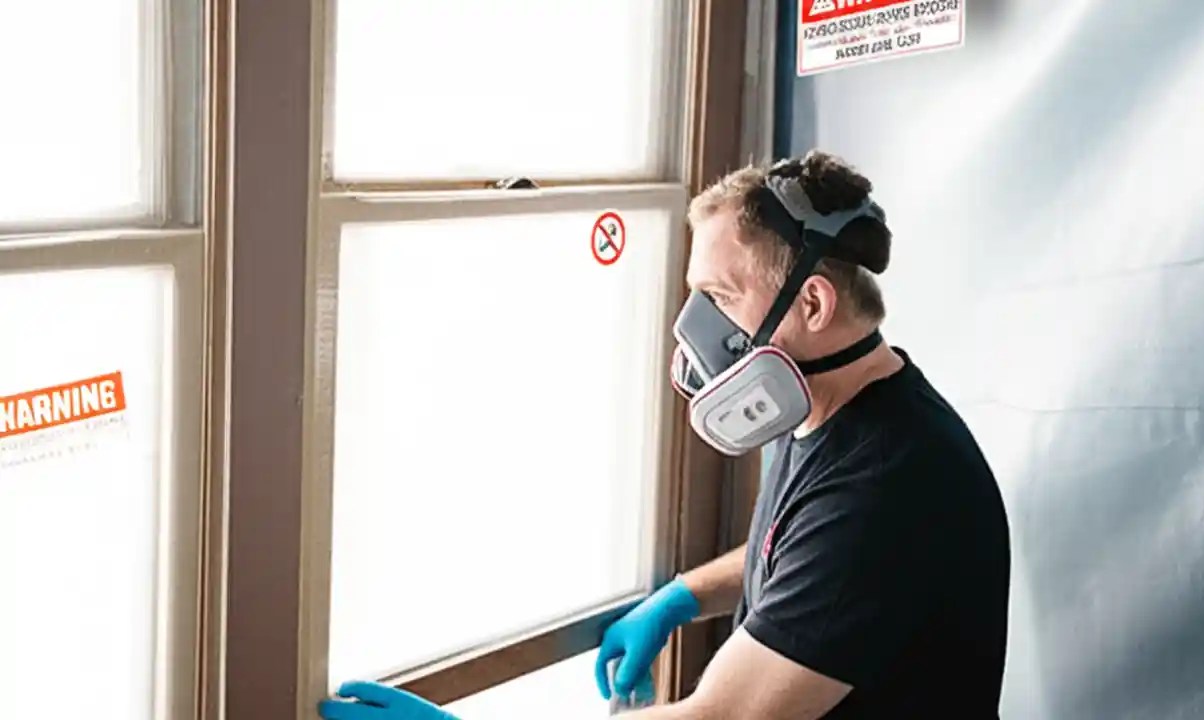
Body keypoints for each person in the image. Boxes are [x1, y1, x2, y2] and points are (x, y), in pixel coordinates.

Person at [318, 151, 1012, 720]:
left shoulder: (887, 484)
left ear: (812, 303)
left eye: (718, 297)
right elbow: (803, 554)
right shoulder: (845, 414)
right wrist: (683, 595)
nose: (694, 329)